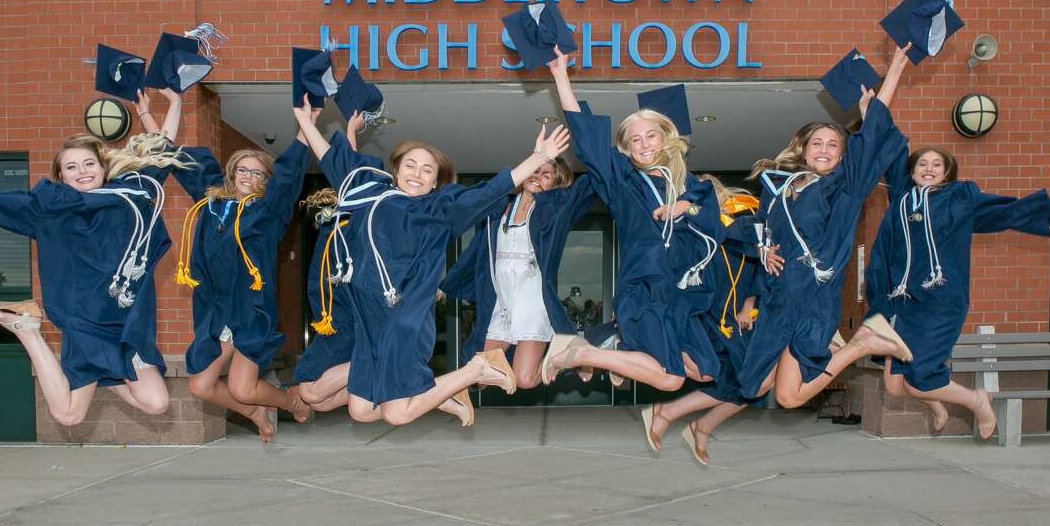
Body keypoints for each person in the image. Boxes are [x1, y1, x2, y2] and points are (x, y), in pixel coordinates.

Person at [0, 90, 189, 427]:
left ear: (103, 168)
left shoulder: (130, 194)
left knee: (155, 403)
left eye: (89, 163)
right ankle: (29, 332)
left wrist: (174, 103)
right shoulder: (49, 210)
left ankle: (90, 360)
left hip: (128, 321)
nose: (82, 171)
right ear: (61, 176)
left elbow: (161, 150)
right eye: (72, 167)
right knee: (68, 415)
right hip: (86, 322)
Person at [291, 95, 570, 427]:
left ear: (436, 181)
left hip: (403, 323)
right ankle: (441, 395)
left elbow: (490, 192)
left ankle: (477, 369)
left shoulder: (440, 210)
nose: (416, 174)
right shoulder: (372, 194)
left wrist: (537, 157)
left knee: (396, 415)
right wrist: (306, 121)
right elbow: (335, 162)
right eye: (410, 165)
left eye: (427, 170)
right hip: (370, 325)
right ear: (396, 169)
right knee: (361, 412)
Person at [865, 145, 1050, 438]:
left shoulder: (959, 198)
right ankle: (937, 404)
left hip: (941, 300)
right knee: (895, 386)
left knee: (918, 379)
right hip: (904, 303)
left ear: (946, 172)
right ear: (912, 170)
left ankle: (977, 401)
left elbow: (1002, 213)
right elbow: (885, 249)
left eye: (937, 164)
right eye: (922, 163)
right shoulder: (903, 203)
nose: (929, 168)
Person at [737, 45, 914, 409]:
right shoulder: (778, 190)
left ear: (840, 155)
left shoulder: (842, 188)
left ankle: (860, 344)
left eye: (833, 145)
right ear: (803, 150)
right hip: (777, 302)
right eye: (817, 142)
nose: (824, 149)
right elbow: (754, 227)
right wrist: (761, 248)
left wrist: (891, 75)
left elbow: (867, 145)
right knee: (752, 387)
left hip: (814, 300)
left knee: (787, 398)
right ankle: (851, 344)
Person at [542, 50, 726, 392]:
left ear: (666, 137)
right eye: (634, 140)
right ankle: (581, 351)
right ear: (626, 149)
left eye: (650, 136)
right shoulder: (622, 180)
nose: (643, 144)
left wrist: (684, 205)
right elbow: (587, 138)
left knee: (704, 370)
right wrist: (561, 77)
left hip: (681, 290)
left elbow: (715, 229)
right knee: (671, 379)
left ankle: (610, 342)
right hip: (646, 286)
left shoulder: (691, 185)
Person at [157, 98, 316, 442]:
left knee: (242, 388)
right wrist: (162, 107)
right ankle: (263, 409)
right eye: (243, 170)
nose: (249, 176)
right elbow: (173, 157)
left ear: (265, 181)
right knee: (202, 385)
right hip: (215, 311)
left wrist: (305, 129)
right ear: (231, 173)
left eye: (258, 173)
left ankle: (289, 402)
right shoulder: (211, 201)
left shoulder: (268, 212)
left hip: (249, 309)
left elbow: (288, 178)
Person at [441, 154, 596, 390]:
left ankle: (561, 359)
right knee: (480, 376)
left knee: (524, 380)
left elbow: (586, 187)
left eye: (546, 175)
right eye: (534, 170)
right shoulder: (497, 210)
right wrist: (445, 285)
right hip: (502, 302)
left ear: (555, 185)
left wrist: (607, 158)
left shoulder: (553, 212)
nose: (537, 177)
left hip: (533, 302)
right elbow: (475, 252)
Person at [644, 177, 764, 464]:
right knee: (733, 380)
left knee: (750, 384)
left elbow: (763, 262)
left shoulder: (743, 214)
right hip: (707, 314)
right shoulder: (690, 228)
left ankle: (686, 421)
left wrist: (750, 303)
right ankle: (687, 422)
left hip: (738, 318)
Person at [293, 112, 376, 413]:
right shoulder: (339, 211)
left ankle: (383, 363)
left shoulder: (368, 215)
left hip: (346, 315)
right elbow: (346, 169)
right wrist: (351, 129)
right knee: (319, 401)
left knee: (311, 393)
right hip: (328, 313)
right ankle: (382, 370)